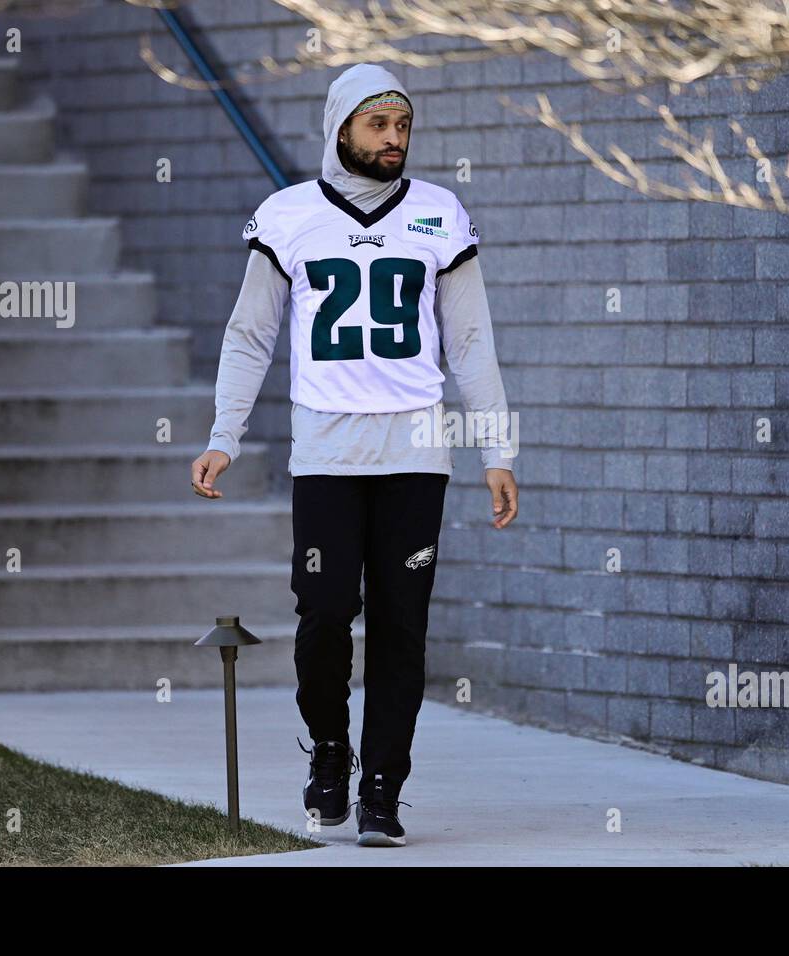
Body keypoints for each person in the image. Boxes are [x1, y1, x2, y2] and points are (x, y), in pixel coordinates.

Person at [190, 63, 517, 847]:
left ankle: (382, 788)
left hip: (416, 452)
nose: (394, 140)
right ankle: (330, 749)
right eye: (379, 125)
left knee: (404, 627)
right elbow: (250, 335)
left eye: (403, 126)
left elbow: (471, 341)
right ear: (342, 127)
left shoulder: (440, 213)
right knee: (325, 615)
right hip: (328, 452)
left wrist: (497, 448)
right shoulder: (288, 215)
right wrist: (222, 435)